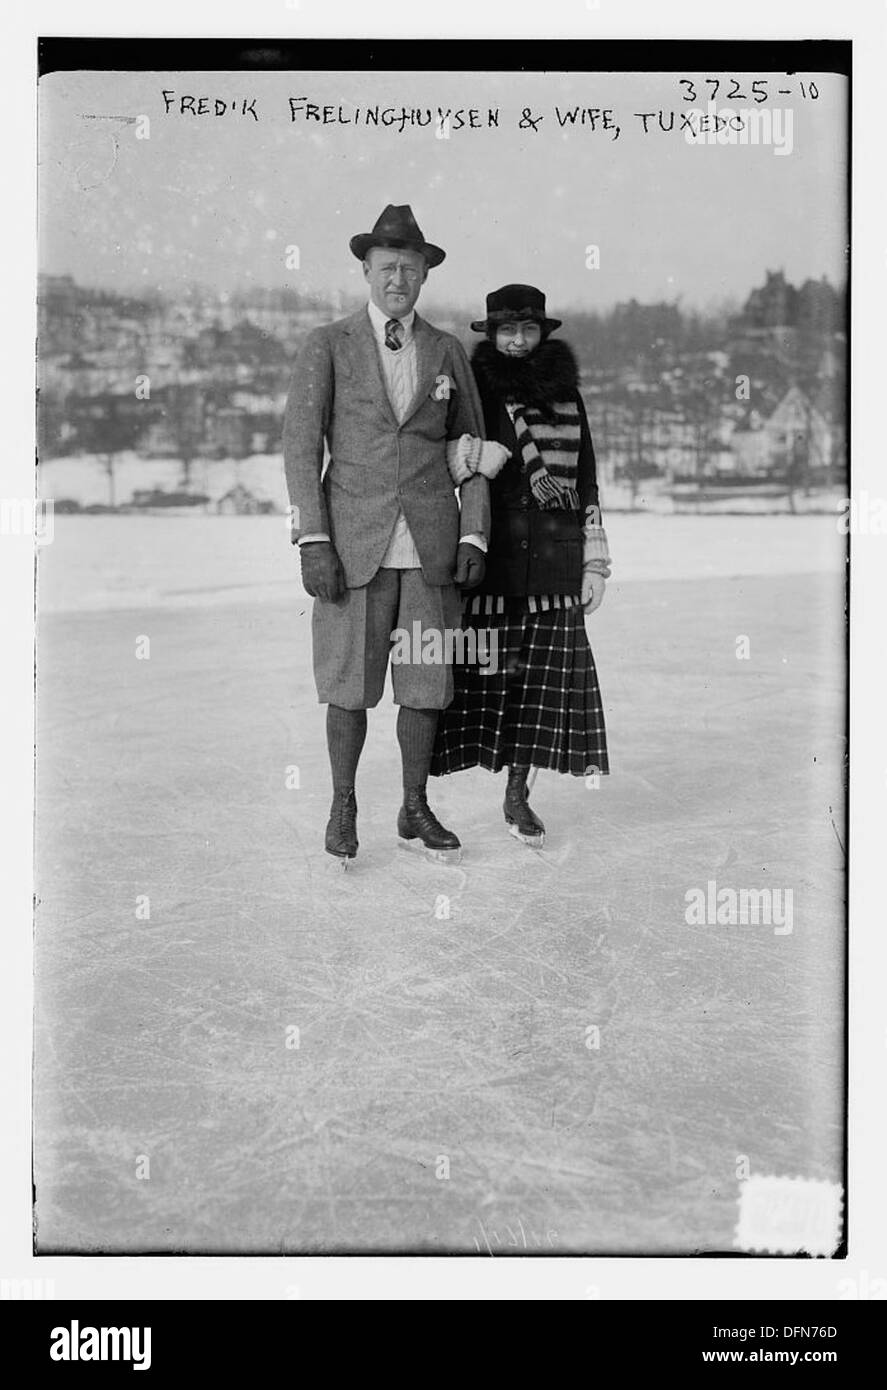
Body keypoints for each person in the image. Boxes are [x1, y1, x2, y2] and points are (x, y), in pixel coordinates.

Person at [283, 204, 490, 865]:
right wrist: (313, 539)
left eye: (410, 267)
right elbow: (298, 448)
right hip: (351, 552)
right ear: (365, 271)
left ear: (424, 275)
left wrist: (474, 536)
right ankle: (342, 805)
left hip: (430, 551)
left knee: (425, 687)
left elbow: (475, 451)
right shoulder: (327, 345)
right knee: (349, 687)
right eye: (386, 267)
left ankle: (412, 805)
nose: (397, 278)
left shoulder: (446, 350)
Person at [430, 284, 612, 845]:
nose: (517, 340)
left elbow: (584, 481)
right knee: (488, 685)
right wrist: (469, 458)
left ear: (542, 334)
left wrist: (595, 562)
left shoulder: (568, 395)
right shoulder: (474, 391)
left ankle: (517, 795)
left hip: (558, 563)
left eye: (527, 330)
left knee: (541, 690)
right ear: (490, 334)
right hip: (495, 560)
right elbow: (441, 454)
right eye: (507, 330)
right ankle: (421, 803)